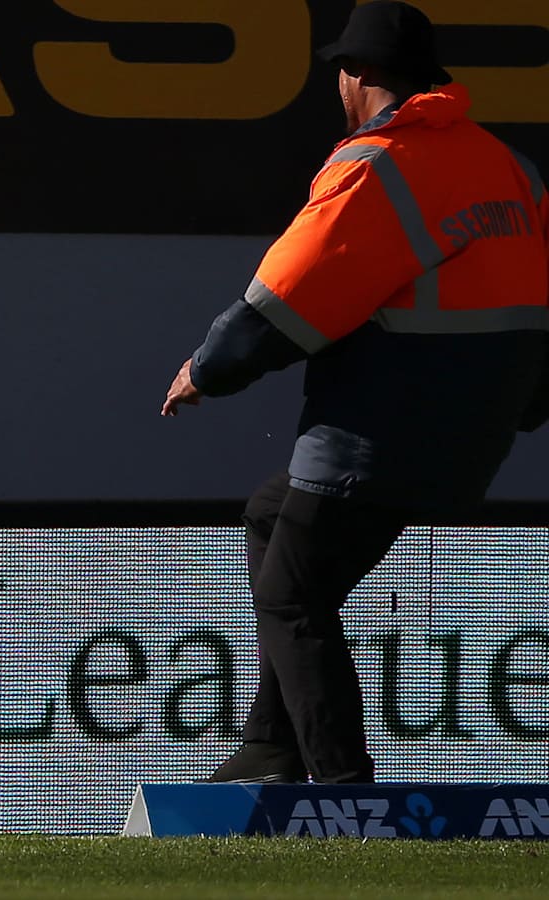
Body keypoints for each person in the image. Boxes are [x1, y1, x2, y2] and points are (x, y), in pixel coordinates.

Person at [161, 0, 549, 783]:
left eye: (341, 68)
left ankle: (342, 788)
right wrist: (526, 404)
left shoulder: (376, 165)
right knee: (275, 518)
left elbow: (290, 296)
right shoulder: (503, 164)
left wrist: (207, 369)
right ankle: (271, 749)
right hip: (472, 430)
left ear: (361, 74)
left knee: (292, 598)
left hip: (380, 426)